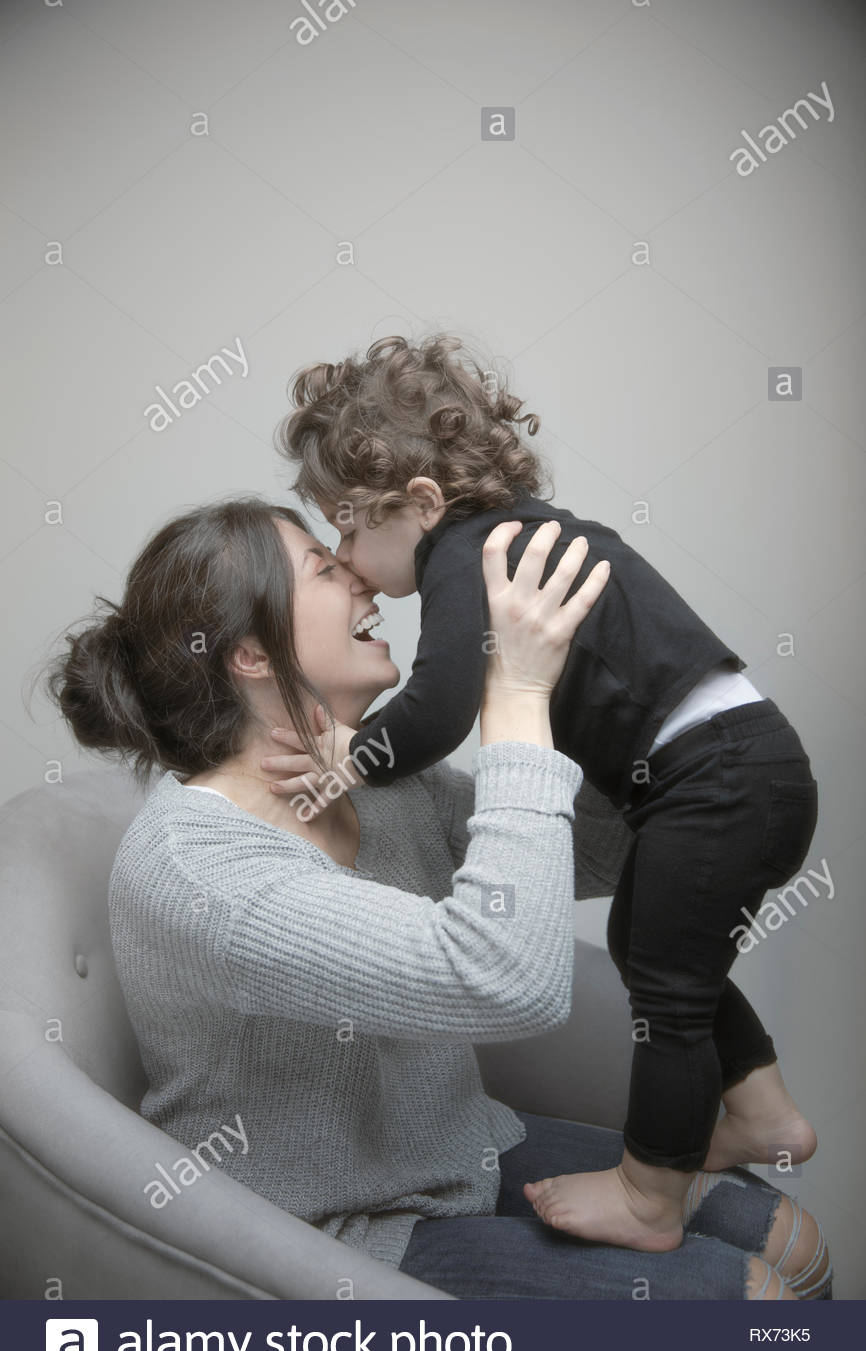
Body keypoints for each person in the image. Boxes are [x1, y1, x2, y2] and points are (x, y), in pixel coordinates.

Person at [45, 495, 829, 1299]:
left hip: (460, 1148)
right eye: (325, 566)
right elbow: (506, 980)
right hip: (340, 1230)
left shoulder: (381, 783)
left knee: (791, 1241)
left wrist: (597, 686)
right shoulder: (200, 863)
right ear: (248, 652)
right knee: (759, 1303)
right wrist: (514, 697)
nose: (365, 581)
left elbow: (597, 849)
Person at [275, 331, 821, 1254]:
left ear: (419, 502)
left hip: (716, 781)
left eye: (347, 526)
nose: (346, 553)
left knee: (670, 990)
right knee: (652, 952)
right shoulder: (523, 531)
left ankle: (651, 1196)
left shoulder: (469, 556)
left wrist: (348, 760)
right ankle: (761, 1114)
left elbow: (443, 705)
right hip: (742, 769)